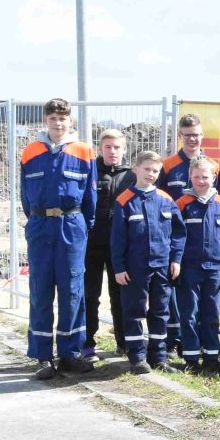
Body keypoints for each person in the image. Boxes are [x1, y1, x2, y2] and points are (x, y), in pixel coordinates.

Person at [21, 98, 98, 379]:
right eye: (53, 118)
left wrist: (82, 226)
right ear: (46, 120)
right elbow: (25, 197)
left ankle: (71, 353)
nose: (58, 123)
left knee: (72, 291)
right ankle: (42, 356)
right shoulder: (30, 151)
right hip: (41, 226)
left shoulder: (83, 150)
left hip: (72, 226)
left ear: (70, 120)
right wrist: (38, 220)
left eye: (63, 118)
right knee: (41, 290)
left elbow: (90, 196)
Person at [111, 151, 183, 374]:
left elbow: (179, 233)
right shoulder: (124, 200)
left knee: (160, 311)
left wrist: (176, 260)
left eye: (155, 171)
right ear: (136, 169)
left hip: (162, 266)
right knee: (134, 311)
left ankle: (158, 357)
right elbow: (117, 238)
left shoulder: (166, 199)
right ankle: (137, 358)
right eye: (147, 169)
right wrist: (119, 267)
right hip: (135, 268)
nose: (151, 174)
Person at [175, 157, 220, 372]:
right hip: (189, 268)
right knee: (189, 312)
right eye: (196, 177)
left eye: (205, 177)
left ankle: (212, 357)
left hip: (214, 269)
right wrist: (176, 263)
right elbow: (175, 236)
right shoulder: (182, 204)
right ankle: (191, 358)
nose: (201, 181)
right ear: (189, 177)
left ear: (214, 177)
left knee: (211, 313)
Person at [84, 128, 133, 360]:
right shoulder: (89, 171)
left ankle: (124, 343)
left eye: (117, 147)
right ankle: (87, 343)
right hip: (91, 244)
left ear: (124, 149)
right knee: (89, 295)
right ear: (100, 148)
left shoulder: (132, 176)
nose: (112, 151)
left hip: (120, 248)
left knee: (121, 296)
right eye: (108, 147)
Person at [161, 114, 206, 353]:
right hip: (173, 238)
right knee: (172, 289)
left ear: (202, 135)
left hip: (202, 240)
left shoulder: (212, 165)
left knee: (197, 293)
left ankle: (193, 339)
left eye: (196, 134)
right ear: (180, 136)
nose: (192, 139)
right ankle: (172, 340)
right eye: (187, 135)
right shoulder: (167, 166)